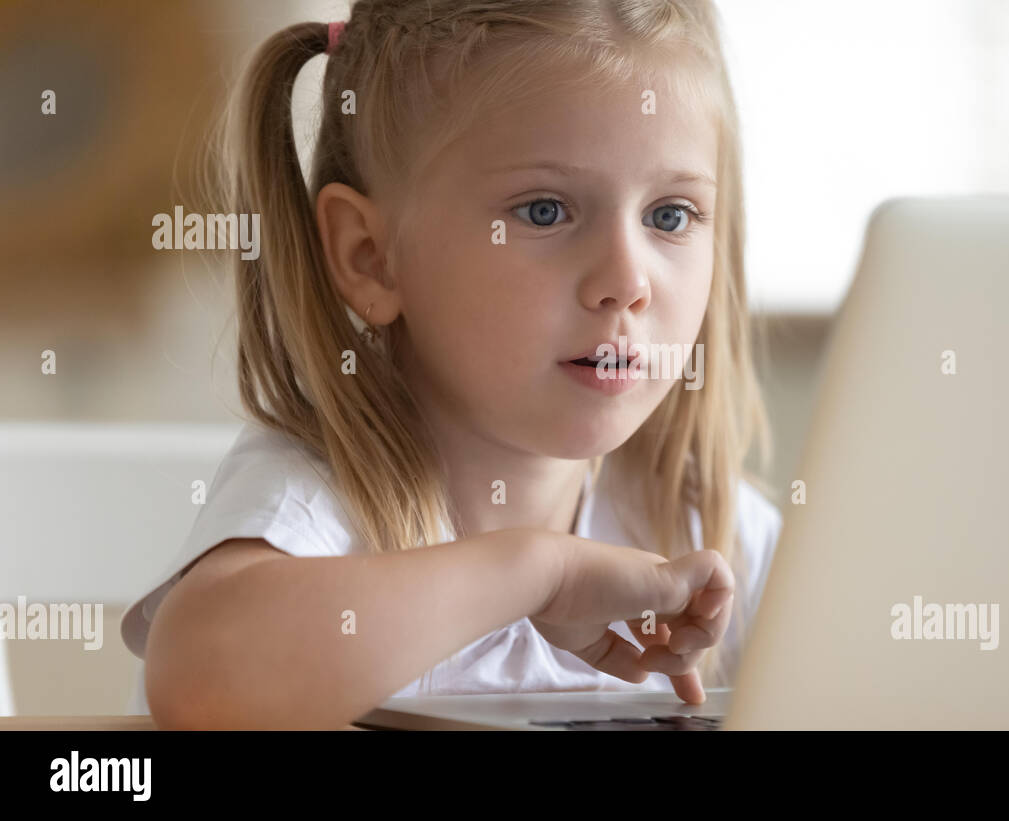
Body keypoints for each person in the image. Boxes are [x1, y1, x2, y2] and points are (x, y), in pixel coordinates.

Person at [121, 0, 782, 729]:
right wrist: (539, 573)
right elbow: (204, 680)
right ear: (369, 257)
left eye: (670, 215)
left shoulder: (707, 528)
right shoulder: (317, 503)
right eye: (544, 211)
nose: (628, 281)